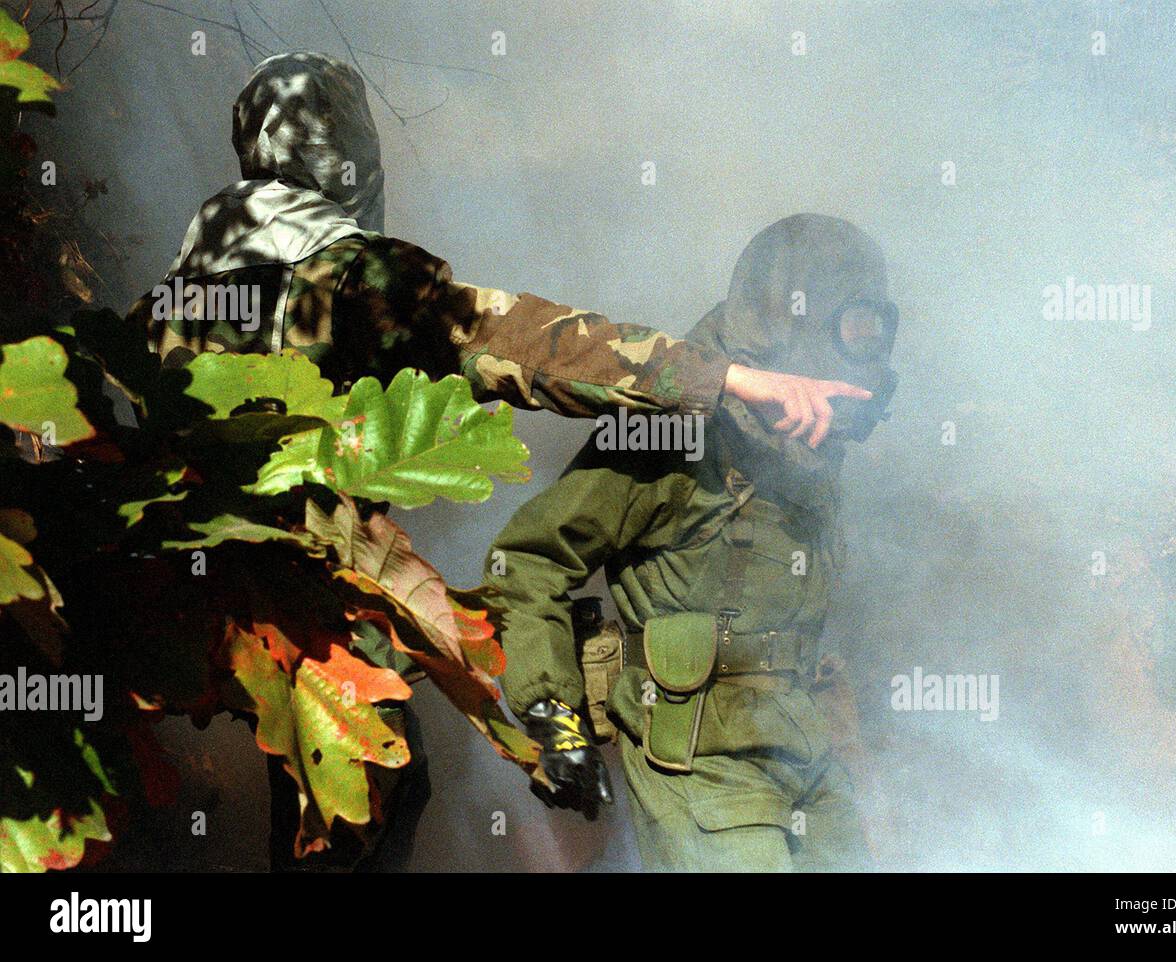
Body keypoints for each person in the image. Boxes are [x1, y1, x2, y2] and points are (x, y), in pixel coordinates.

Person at [124, 54, 869, 871]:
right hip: (306, 603)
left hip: (167, 602)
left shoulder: (169, 298)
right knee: (363, 806)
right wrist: (721, 378)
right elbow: (523, 343)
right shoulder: (353, 276)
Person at [486, 213, 899, 871]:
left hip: (804, 755)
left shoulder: (812, 457)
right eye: (852, 327)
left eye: (876, 330)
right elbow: (528, 560)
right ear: (790, 322)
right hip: (700, 758)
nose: (867, 351)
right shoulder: (674, 434)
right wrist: (550, 712)